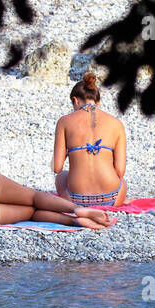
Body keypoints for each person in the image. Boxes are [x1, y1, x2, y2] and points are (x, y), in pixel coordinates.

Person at [51, 71, 128, 207]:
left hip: (76, 200)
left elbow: (57, 168)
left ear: (75, 100)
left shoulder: (64, 122)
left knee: (61, 176)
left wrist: (68, 152)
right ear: (98, 101)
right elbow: (120, 171)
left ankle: (75, 204)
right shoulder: (116, 124)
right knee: (122, 181)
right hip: (112, 197)